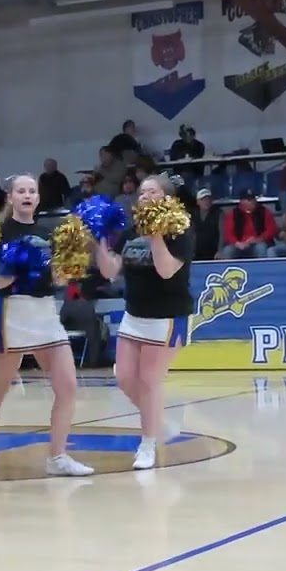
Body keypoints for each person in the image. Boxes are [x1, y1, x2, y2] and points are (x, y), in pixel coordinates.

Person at [0, 175, 94, 478]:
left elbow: (60, 280)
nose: (27, 195)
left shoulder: (48, 233)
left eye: (32, 191)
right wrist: (19, 264)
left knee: (67, 387)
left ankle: (58, 456)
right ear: (10, 197)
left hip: (45, 312)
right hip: (13, 311)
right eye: (21, 191)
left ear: (37, 198)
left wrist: (70, 266)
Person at [93, 174, 195, 470]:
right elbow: (111, 271)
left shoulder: (181, 230)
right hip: (134, 314)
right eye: (142, 192)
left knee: (149, 381)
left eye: (152, 191)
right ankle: (159, 422)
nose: (145, 196)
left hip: (167, 315)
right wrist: (100, 243)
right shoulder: (130, 231)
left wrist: (156, 235)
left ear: (167, 198)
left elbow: (166, 271)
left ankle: (148, 443)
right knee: (125, 378)